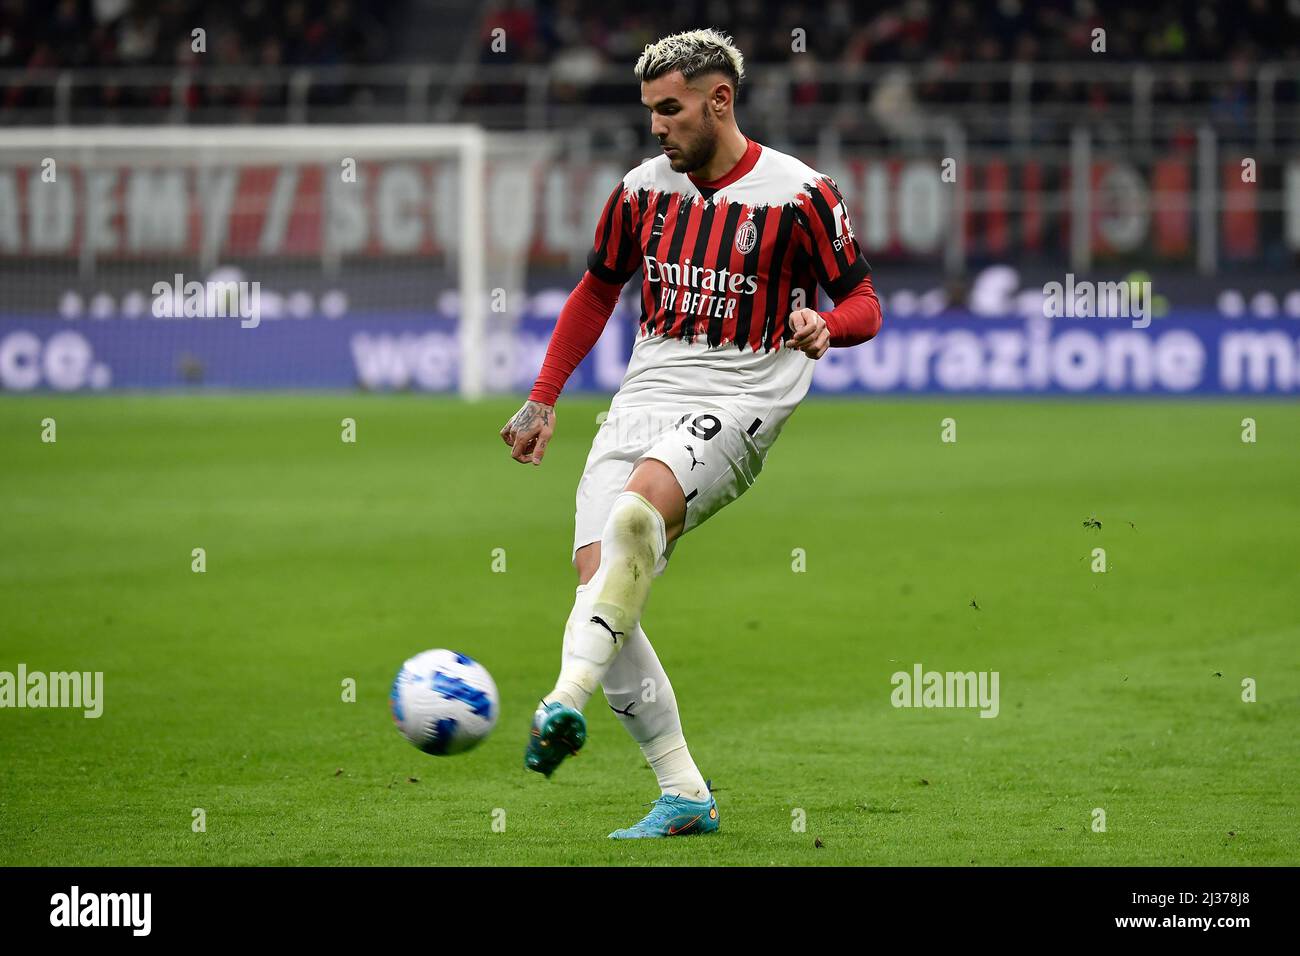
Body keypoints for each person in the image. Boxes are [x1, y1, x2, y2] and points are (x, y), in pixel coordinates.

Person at [499, 27, 883, 839]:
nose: (656, 126)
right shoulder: (641, 190)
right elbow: (596, 291)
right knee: (603, 581)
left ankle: (562, 702)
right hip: (645, 393)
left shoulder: (801, 193)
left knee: (637, 516)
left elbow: (865, 303)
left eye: (669, 109)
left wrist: (825, 325)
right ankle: (685, 794)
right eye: (649, 111)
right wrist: (543, 398)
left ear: (720, 100)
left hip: (742, 397)